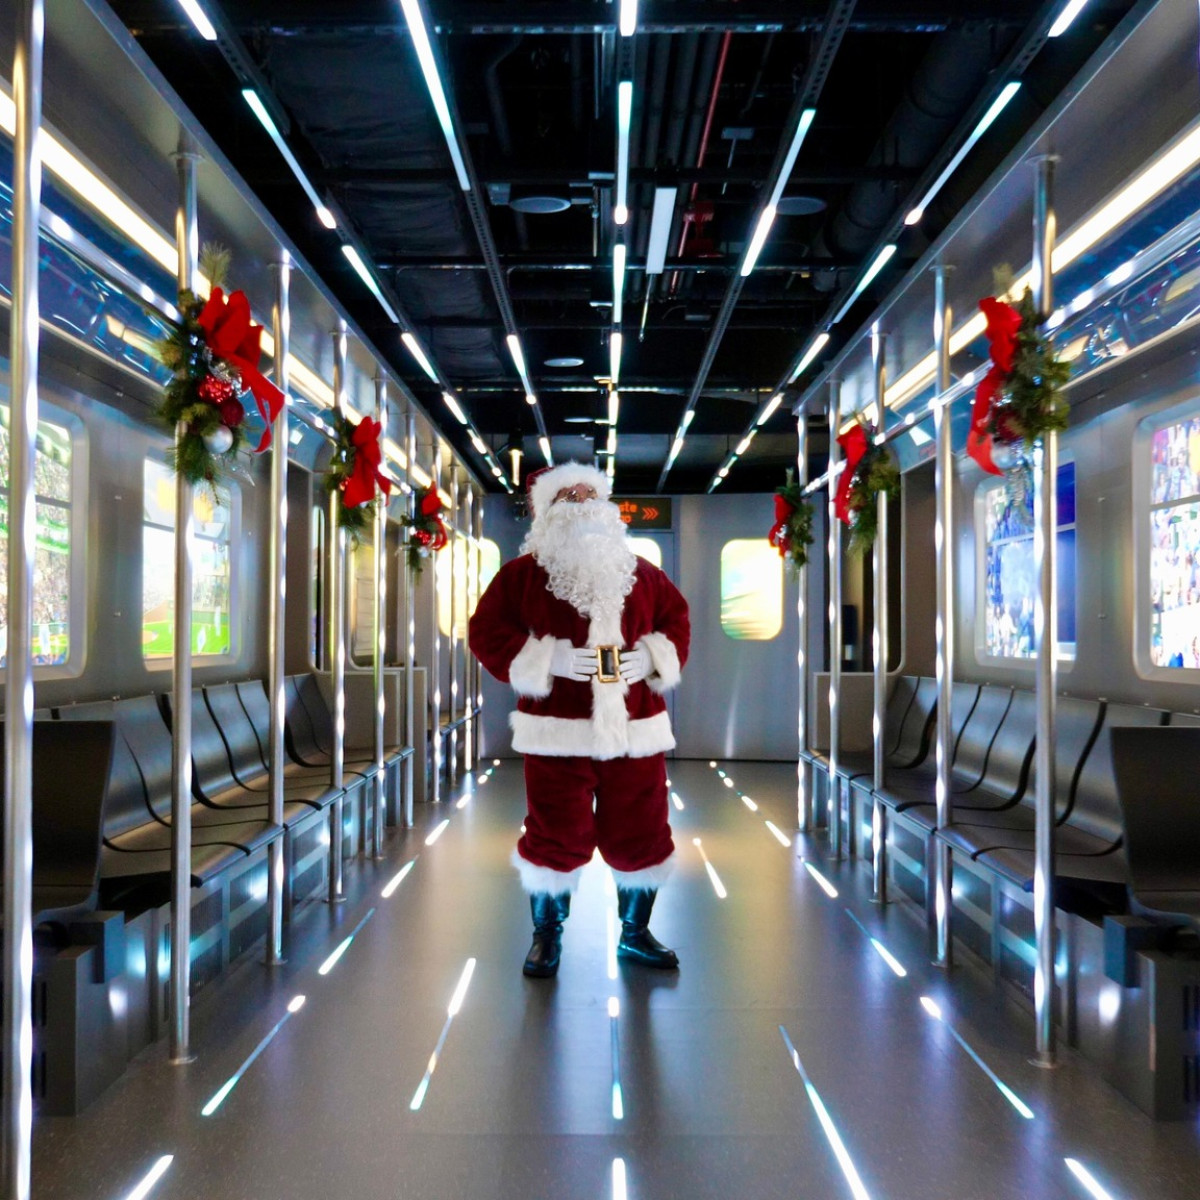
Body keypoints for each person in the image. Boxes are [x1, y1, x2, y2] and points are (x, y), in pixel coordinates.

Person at [468, 462, 690, 978]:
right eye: (567, 495)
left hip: (635, 732)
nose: (581, 501)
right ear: (545, 511)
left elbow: (676, 623)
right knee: (553, 838)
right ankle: (547, 935)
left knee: (643, 834)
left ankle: (635, 935)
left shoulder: (644, 575)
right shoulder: (520, 577)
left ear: (606, 506)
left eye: (589, 493)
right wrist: (549, 660)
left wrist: (654, 658)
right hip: (556, 735)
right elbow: (485, 632)